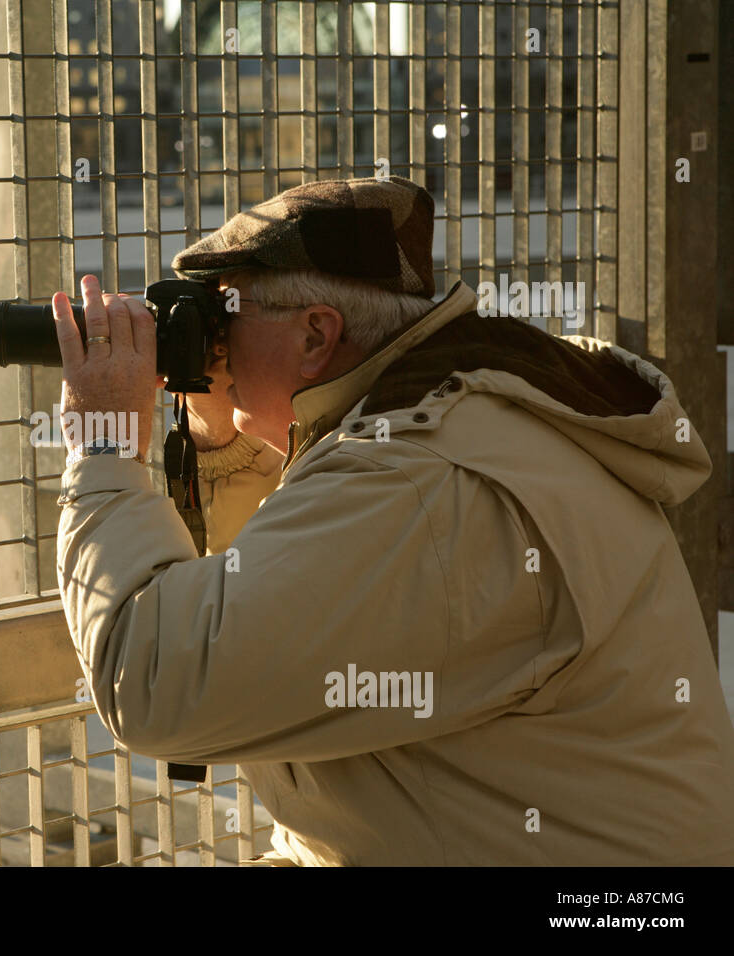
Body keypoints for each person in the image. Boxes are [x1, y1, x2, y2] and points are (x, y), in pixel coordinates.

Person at [50, 175, 734, 865]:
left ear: (317, 333)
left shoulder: (420, 482)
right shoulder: (455, 413)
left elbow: (159, 683)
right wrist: (220, 449)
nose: (213, 347)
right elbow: (273, 601)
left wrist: (106, 439)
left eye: (226, 317)